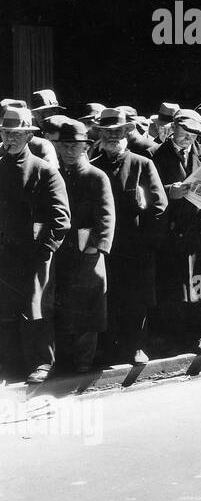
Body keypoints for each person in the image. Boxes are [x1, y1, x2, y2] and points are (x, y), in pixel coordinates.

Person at [91, 108, 167, 365]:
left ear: (126, 133)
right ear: (100, 134)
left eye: (118, 132)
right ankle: (111, 349)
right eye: (107, 132)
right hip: (105, 248)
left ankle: (137, 347)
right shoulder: (94, 166)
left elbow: (158, 206)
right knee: (108, 299)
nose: (113, 136)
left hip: (136, 249)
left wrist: (148, 243)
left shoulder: (142, 163)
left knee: (136, 300)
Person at [0, 106, 70, 383]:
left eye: (17, 133)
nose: (10, 138)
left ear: (29, 136)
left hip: (35, 255)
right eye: (6, 132)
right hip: (5, 255)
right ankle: (10, 367)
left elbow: (61, 219)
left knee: (35, 310)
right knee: (5, 310)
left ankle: (42, 363)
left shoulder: (45, 171)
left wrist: (45, 250)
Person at [152, 108, 201, 354]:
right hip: (172, 231)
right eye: (185, 132)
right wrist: (169, 191)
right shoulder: (154, 154)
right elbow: (148, 192)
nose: (188, 138)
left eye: (194, 135)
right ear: (173, 128)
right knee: (173, 285)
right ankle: (173, 337)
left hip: (200, 230)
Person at [49, 118, 115, 373]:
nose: (67, 151)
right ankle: (67, 362)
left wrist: (95, 248)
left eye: (74, 146)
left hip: (88, 255)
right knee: (65, 307)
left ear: (85, 147)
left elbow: (107, 217)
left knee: (89, 309)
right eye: (63, 146)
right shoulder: (54, 176)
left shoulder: (96, 176)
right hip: (62, 252)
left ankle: (84, 363)